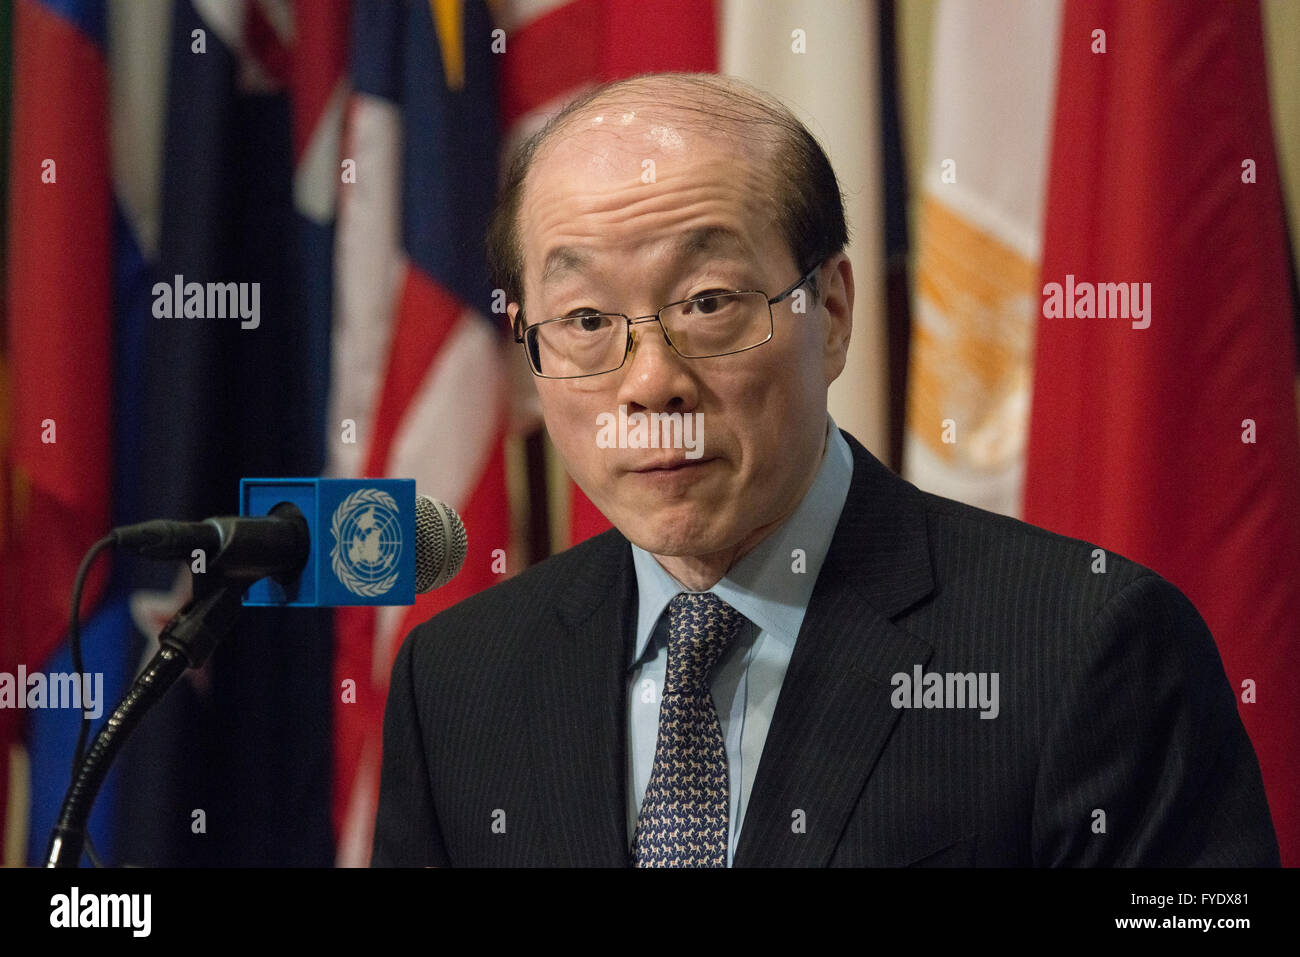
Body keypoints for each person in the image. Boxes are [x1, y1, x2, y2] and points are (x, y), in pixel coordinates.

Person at [371, 72, 1278, 867]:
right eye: (584, 321)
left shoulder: (1087, 649)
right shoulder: (458, 680)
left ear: (832, 311)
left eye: (709, 303)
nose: (650, 382)